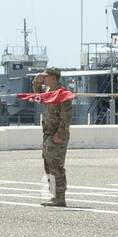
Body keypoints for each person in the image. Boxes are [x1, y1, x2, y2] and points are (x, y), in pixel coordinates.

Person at [35, 67, 72, 207]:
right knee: (48, 165)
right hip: (48, 134)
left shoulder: (63, 94)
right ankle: (54, 196)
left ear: (54, 78)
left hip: (57, 136)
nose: (43, 79)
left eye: (46, 77)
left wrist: (60, 135)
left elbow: (66, 117)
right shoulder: (49, 92)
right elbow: (38, 97)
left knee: (56, 166)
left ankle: (60, 197)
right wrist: (36, 83)